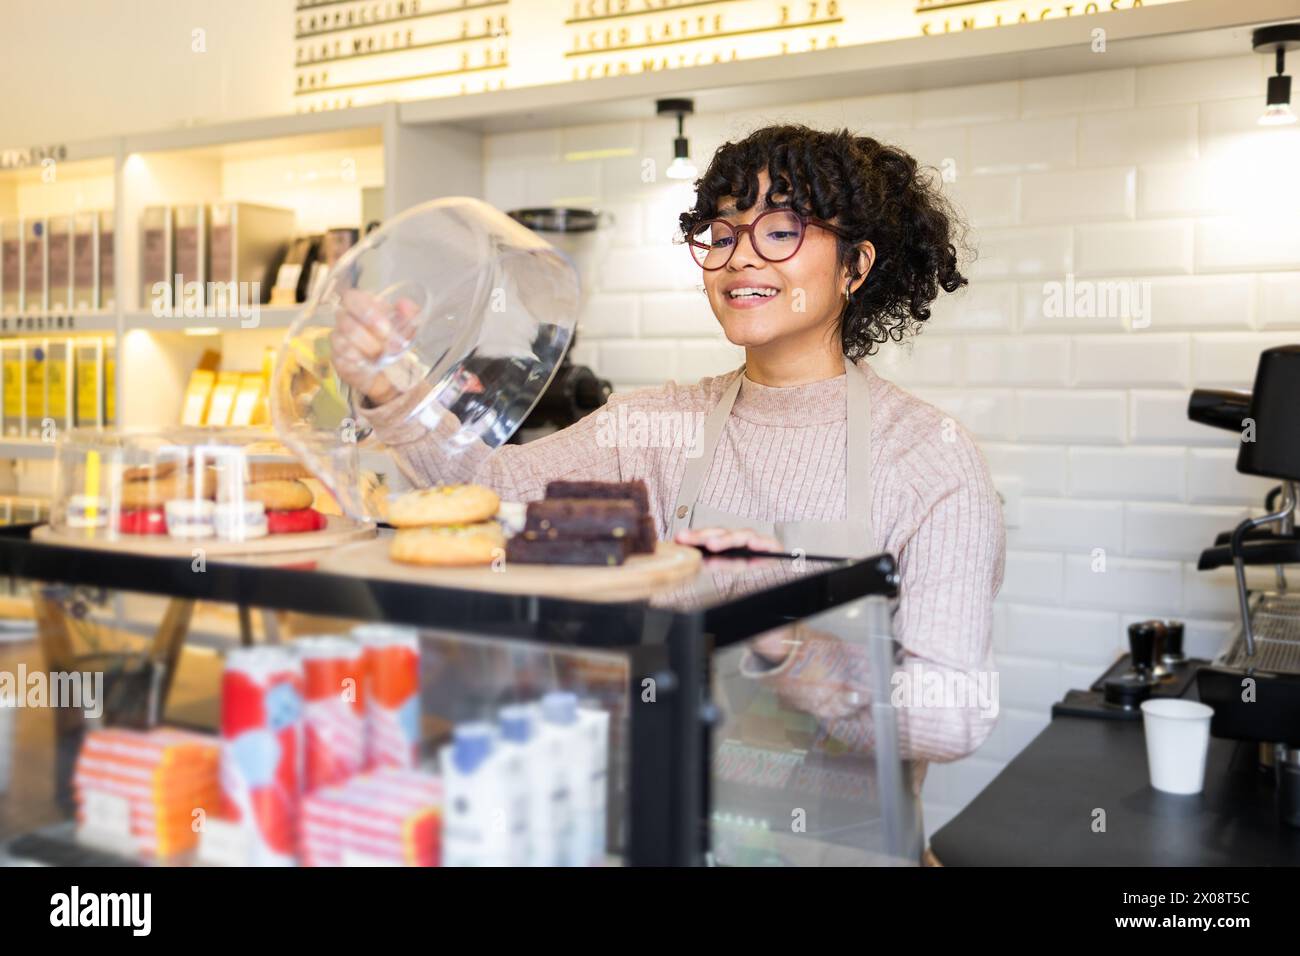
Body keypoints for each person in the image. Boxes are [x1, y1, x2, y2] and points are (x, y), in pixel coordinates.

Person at [332, 124, 1006, 766]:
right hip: (667, 818)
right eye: (720, 234)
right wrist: (390, 384)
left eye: (779, 231)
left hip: (837, 844)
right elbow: (491, 493)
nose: (739, 256)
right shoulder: (659, 424)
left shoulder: (929, 457)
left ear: (855, 266)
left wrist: (779, 635)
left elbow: (953, 714)